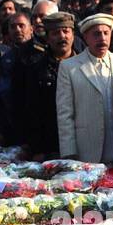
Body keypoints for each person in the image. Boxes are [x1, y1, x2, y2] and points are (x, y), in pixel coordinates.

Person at [55, 12, 113, 164]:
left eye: (106, 33)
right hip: (87, 152)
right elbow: (65, 114)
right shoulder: (69, 67)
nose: (102, 39)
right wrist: (69, 152)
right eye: (96, 34)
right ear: (85, 37)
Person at [14, 11, 76, 159]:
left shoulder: (84, 66)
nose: (62, 36)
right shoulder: (35, 69)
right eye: (55, 33)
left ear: (73, 34)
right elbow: (30, 111)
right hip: (49, 146)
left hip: (81, 142)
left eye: (66, 31)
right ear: (47, 38)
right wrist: (37, 149)